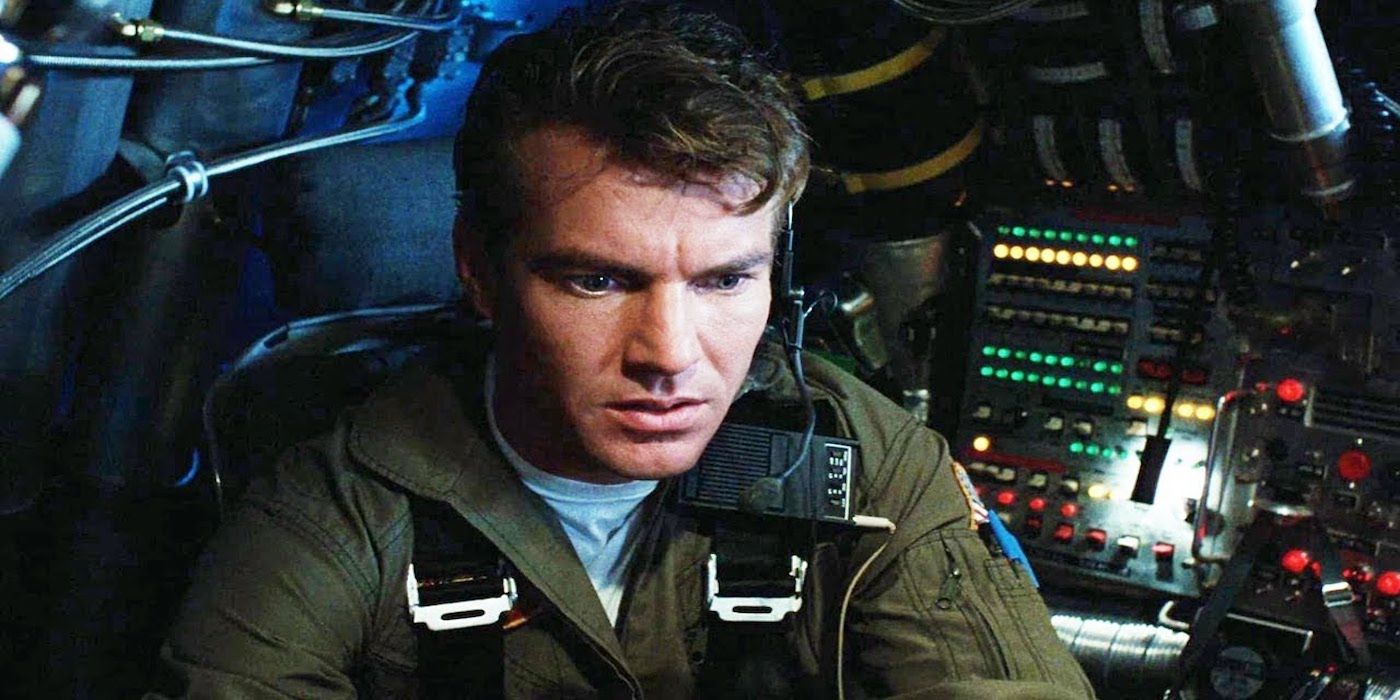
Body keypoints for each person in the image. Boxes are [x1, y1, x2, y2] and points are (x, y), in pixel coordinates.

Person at [154, 4, 1096, 698]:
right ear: (479, 271)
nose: (671, 355)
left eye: (724, 281)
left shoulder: (868, 467)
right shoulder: (335, 516)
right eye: (598, 281)